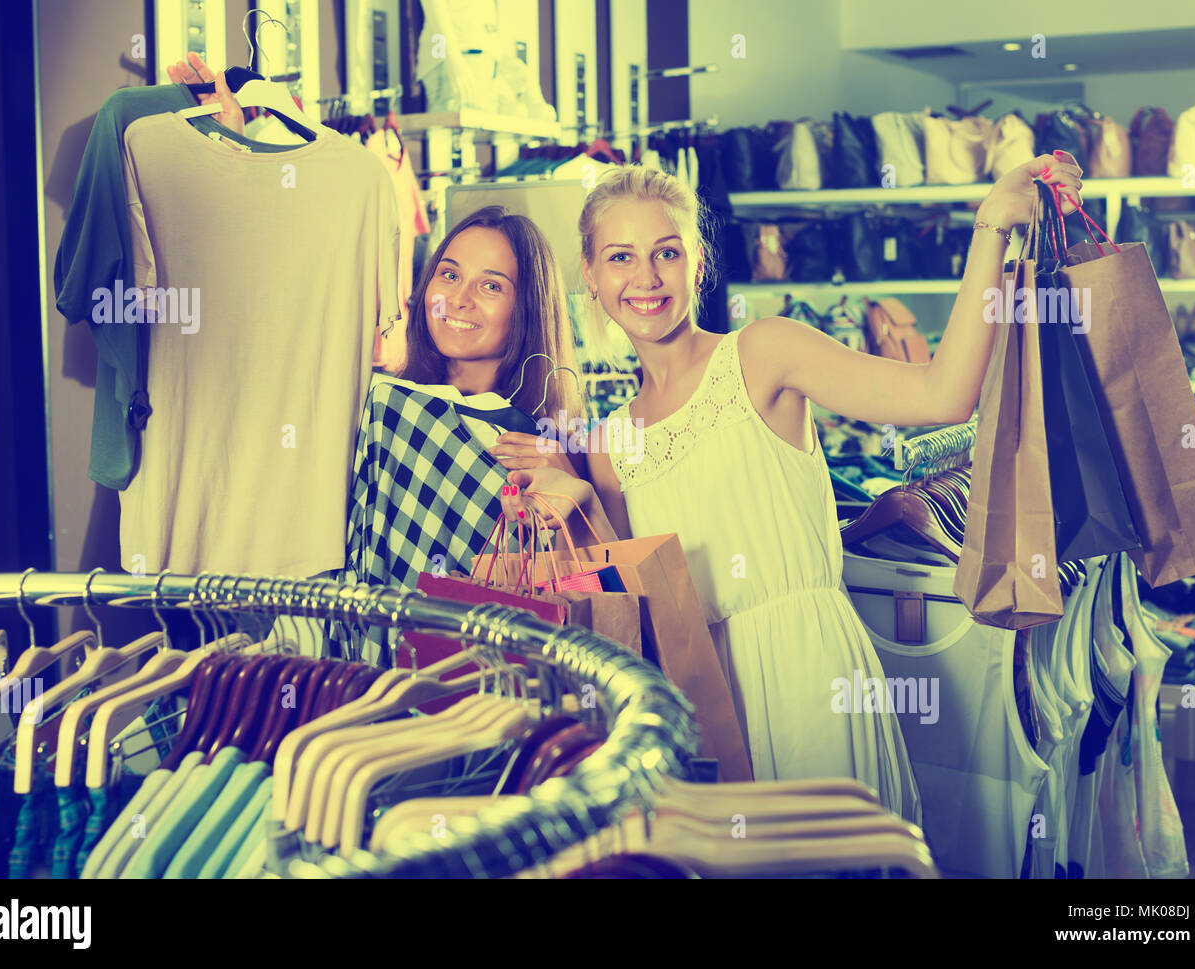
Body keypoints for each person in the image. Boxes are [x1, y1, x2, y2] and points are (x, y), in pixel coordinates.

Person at [499, 158, 1084, 813]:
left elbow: (944, 395)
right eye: (620, 257)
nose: (645, 277)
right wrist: (573, 497)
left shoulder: (762, 353)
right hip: (702, 697)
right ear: (593, 278)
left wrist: (991, 228)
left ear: (696, 262)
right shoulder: (607, 443)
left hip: (810, 675)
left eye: (666, 251)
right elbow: (641, 608)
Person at [164, 54, 581, 476]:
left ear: (528, 307)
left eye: (491, 286)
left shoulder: (541, 448)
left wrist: (565, 482)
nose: (458, 299)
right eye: (449, 274)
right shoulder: (378, 409)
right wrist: (229, 153)